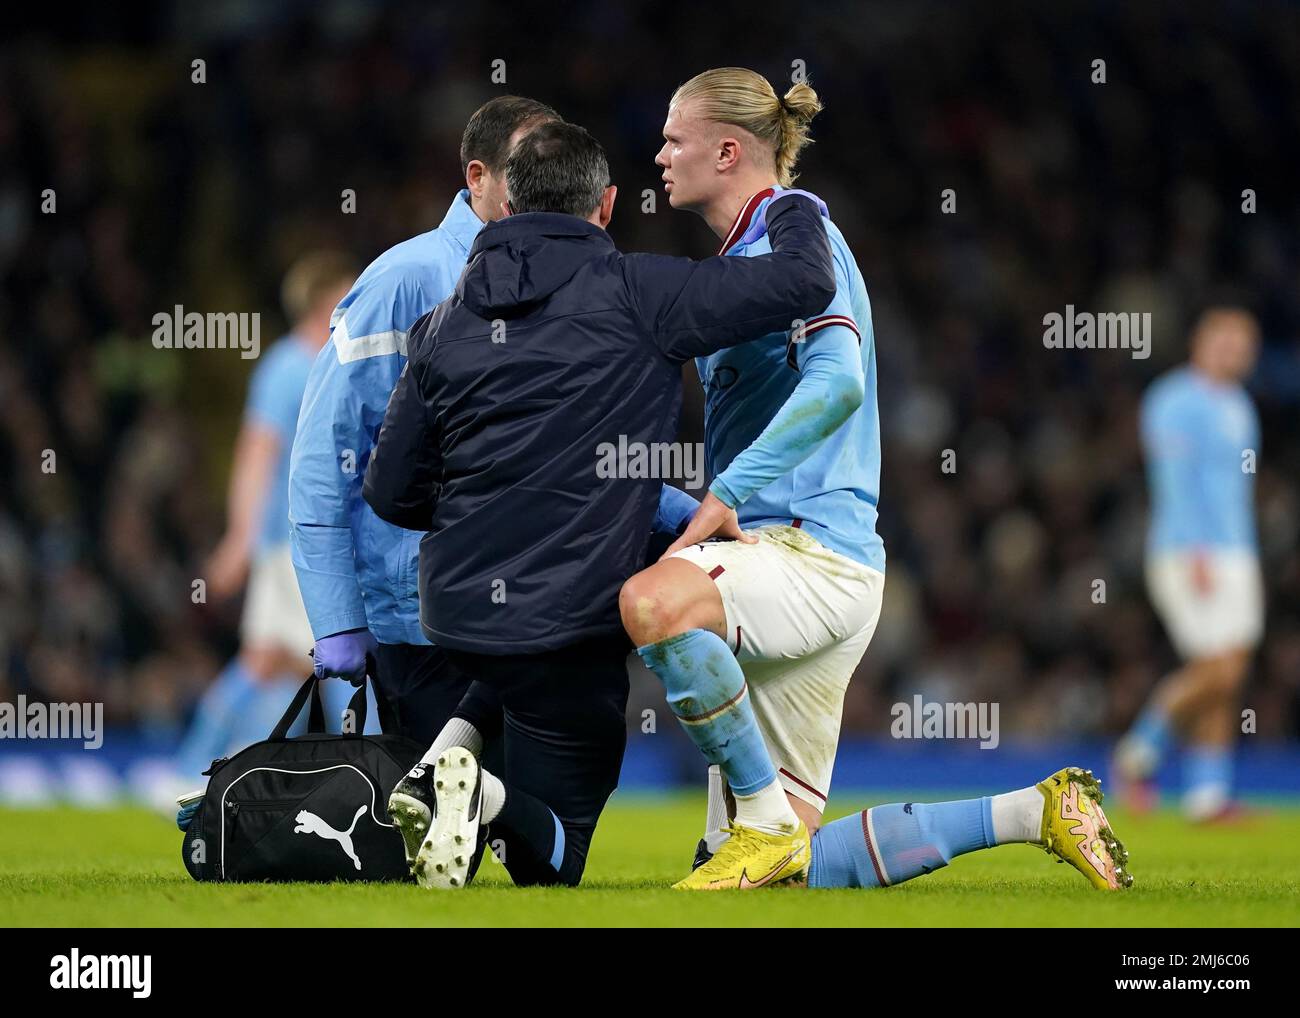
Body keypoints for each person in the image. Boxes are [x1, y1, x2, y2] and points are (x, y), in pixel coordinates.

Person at [621, 67, 1131, 892]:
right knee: (778, 871)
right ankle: (1034, 812)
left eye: (674, 138)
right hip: (816, 562)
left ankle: (756, 820)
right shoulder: (745, 256)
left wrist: (725, 493)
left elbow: (839, 383)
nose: (659, 154)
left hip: (807, 554)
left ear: (725, 150)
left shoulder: (798, 234)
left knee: (654, 603)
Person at [363, 119, 837, 888]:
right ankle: (475, 790)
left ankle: (452, 749)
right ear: (608, 204)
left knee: (509, 662)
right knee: (551, 864)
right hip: (568, 630)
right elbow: (804, 282)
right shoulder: (642, 292)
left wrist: (485, 510)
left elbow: (389, 491)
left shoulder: (441, 326)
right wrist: (788, 203)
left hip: (453, 618)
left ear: (507, 201)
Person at [287, 95, 558, 768]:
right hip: (423, 615)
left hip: (528, 603)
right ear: (476, 177)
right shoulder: (405, 281)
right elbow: (325, 453)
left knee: (532, 838)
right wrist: (336, 616)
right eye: (524, 169)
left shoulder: (558, 279)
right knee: (446, 844)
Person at [171, 252, 360, 795]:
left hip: (306, 542)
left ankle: (223, 773)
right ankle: (367, 777)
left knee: (279, 664)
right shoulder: (288, 367)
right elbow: (256, 452)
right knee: (334, 658)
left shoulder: (324, 362)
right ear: (324, 302)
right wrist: (240, 537)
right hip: (293, 545)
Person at [1114, 306, 1263, 822]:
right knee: (1216, 668)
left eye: (1244, 342)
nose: (1236, 350)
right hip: (1188, 551)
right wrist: (1196, 548)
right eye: (1226, 338)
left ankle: (1207, 796)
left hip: (1238, 552)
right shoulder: (1173, 399)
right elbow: (1173, 480)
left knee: (1230, 673)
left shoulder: (1240, 404)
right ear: (1201, 339)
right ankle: (1139, 751)